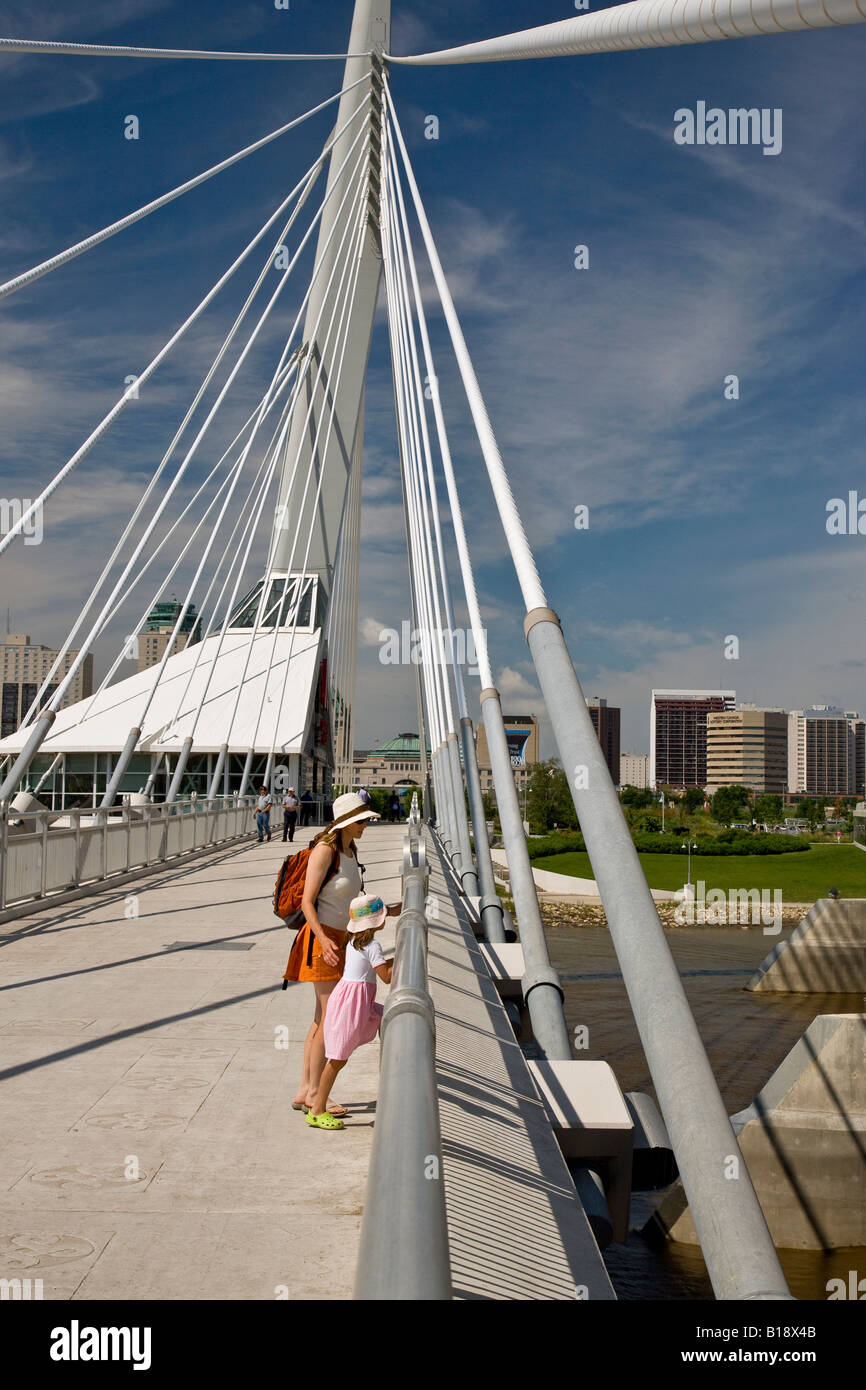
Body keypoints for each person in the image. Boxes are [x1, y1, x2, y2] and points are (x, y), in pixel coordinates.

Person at [285, 792, 380, 1117]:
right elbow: (307, 901)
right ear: (346, 822)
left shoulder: (350, 850)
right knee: (331, 1017)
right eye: (361, 821)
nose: (366, 825)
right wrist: (324, 940)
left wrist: (384, 912)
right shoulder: (325, 850)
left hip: (341, 939)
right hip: (320, 940)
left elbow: (348, 900)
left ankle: (305, 1090)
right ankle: (314, 1093)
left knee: (322, 1018)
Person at [306, 893, 394, 1130]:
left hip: (349, 1001)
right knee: (337, 1060)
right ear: (378, 921)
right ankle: (317, 1110)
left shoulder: (355, 942)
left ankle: (318, 1106)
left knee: (385, 1016)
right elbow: (385, 977)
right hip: (352, 1006)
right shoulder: (373, 945)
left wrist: (391, 961)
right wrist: (399, 962)